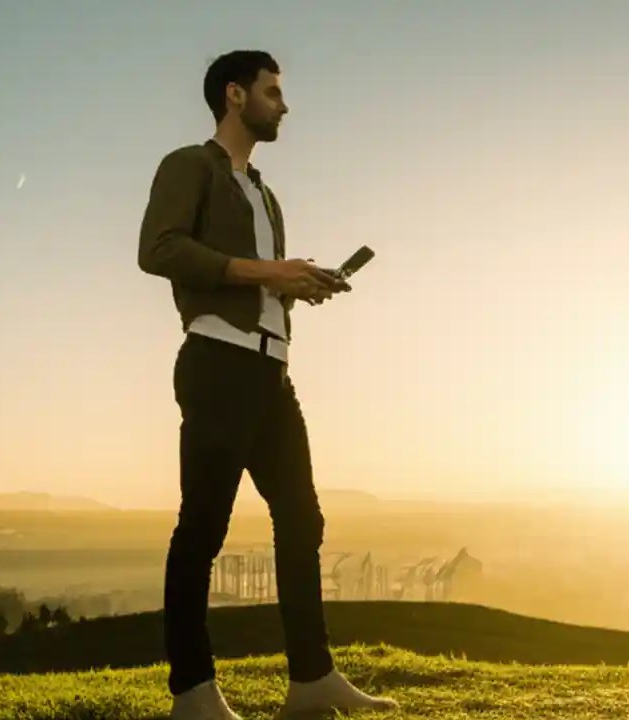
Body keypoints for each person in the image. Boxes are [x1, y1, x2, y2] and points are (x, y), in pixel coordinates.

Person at [138, 50, 399, 719]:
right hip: (217, 364)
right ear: (235, 95)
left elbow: (260, 280)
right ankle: (192, 693)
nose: (284, 104)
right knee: (203, 528)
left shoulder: (265, 192)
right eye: (273, 91)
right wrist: (269, 273)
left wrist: (301, 287)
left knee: (301, 518)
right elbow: (158, 250)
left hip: (270, 370)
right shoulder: (189, 166)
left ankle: (311, 681)